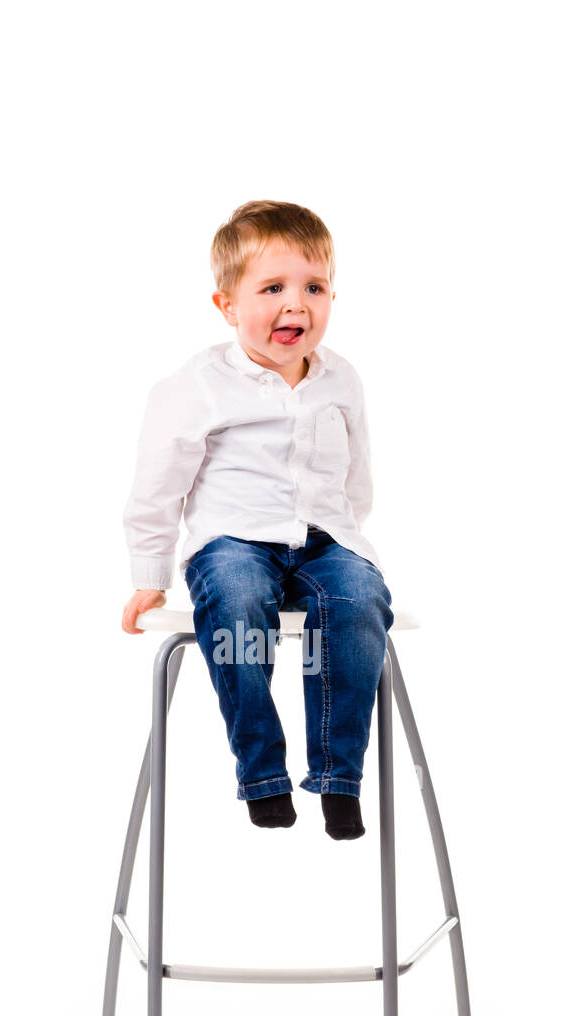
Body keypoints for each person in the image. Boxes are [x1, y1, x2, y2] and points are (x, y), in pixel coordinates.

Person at [122, 200, 394, 839]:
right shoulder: (199, 385)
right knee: (240, 603)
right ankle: (263, 772)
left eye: (313, 287)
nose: (296, 305)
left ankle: (337, 778)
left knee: (357, 599)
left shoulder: (340, 379)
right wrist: (151, 572)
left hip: (324, 539)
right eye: (273, 288)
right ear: (227, 305)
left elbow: (357, 474)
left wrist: (350, 541)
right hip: (235, 542)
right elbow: (159, 482)